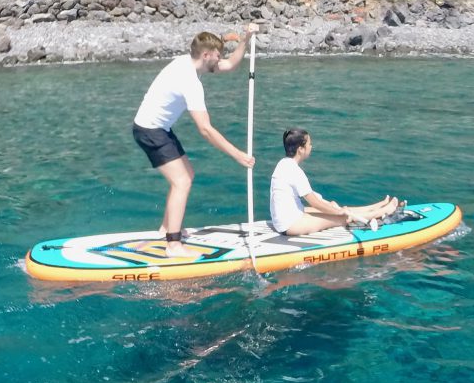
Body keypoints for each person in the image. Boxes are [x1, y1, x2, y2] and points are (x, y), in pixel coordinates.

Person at [133, 27, 256, 257]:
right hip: (150, 130)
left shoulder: (187, 62)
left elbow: (230, 65)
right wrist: (237, 155)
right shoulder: (190, 82)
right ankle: (173, 245)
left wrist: (245, 40)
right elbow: (206, 130)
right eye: (217, 55)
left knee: (186, 175)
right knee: (182, 182)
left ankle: (166, 229)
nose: (220, 59)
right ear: (206, 54)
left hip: (157, 128)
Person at [269, 127, 398, 236]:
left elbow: (312, 195)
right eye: (309, 144)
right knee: (342, 217)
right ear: (301, 149)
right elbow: (314, 202)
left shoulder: (283, 164)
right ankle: (382, 212)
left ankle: (375, 207)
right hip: (291, 224)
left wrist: (330, 206)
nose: (311, 147)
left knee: (335, 209)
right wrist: (337, 212)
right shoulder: (295, 171)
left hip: (285, 220)